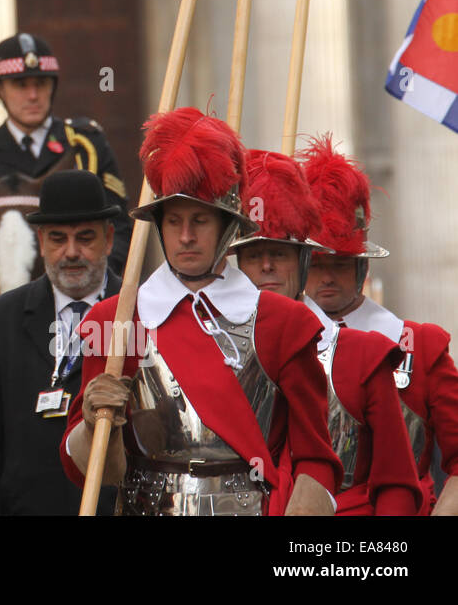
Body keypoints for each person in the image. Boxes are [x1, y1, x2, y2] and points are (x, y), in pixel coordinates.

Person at [60, 107, 340, 515]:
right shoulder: (113, 320)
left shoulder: (285, 323)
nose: (186, 236)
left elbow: (316, 459)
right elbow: (101, 471)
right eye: (174, 221)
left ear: (227, 228)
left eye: (200, 221)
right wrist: (92, 422)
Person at [232, 147, 421, 516]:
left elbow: (396, 482)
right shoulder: (205, 346)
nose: (267, 266)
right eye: (254, 256)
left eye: (281, 254)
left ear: (302, 262)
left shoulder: (363, 355)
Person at [299, 135, 458, 515]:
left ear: (362, 266)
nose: (326, 279)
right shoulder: (280, 343)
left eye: (339, 264)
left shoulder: (421, 346)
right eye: (316, 264)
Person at [0, 168, 119, 514]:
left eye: (86, 238)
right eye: (58, 238)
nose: (71, 252)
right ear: (41, 240)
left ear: (108, 239)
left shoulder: (144, 312)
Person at [0, 33, 131, 284]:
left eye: (41, 83)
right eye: (21, 85)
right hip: (5, 296)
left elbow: (120, 227)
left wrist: (91, 285)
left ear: (53, 86)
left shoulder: (86, 145)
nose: (33, 95)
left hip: (85, 290)